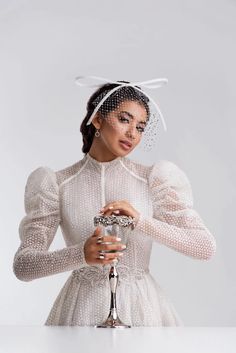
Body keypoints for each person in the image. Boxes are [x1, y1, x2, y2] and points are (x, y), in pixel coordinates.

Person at [13, 79, 216, 326]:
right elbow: (23, 266)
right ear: (97, 120)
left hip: (143, 311)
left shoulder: (152, 180)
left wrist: (140, 221)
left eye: (141, 127)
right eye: (124, 119)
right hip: (79, 313)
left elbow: (204, 247)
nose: (133, 133)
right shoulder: (57, 184)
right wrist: (80, 255)